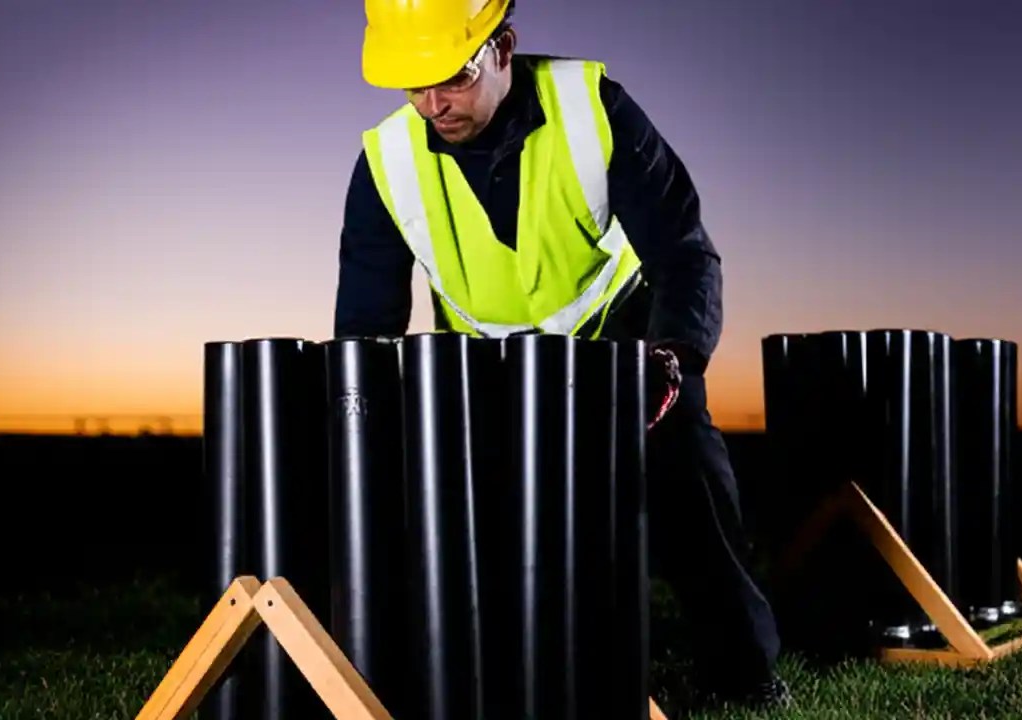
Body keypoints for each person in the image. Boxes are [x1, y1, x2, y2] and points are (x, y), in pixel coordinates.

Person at [333, 0, 789, 709]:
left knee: (686, 475)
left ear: (504, 46)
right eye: (412, 84)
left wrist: (674, 360)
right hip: (485, 371)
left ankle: (743, 671)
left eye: (450, 77)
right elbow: (366, 327)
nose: (432, 103)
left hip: (623, 348)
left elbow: (683, 252)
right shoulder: (386, 164)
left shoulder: (592, 108)